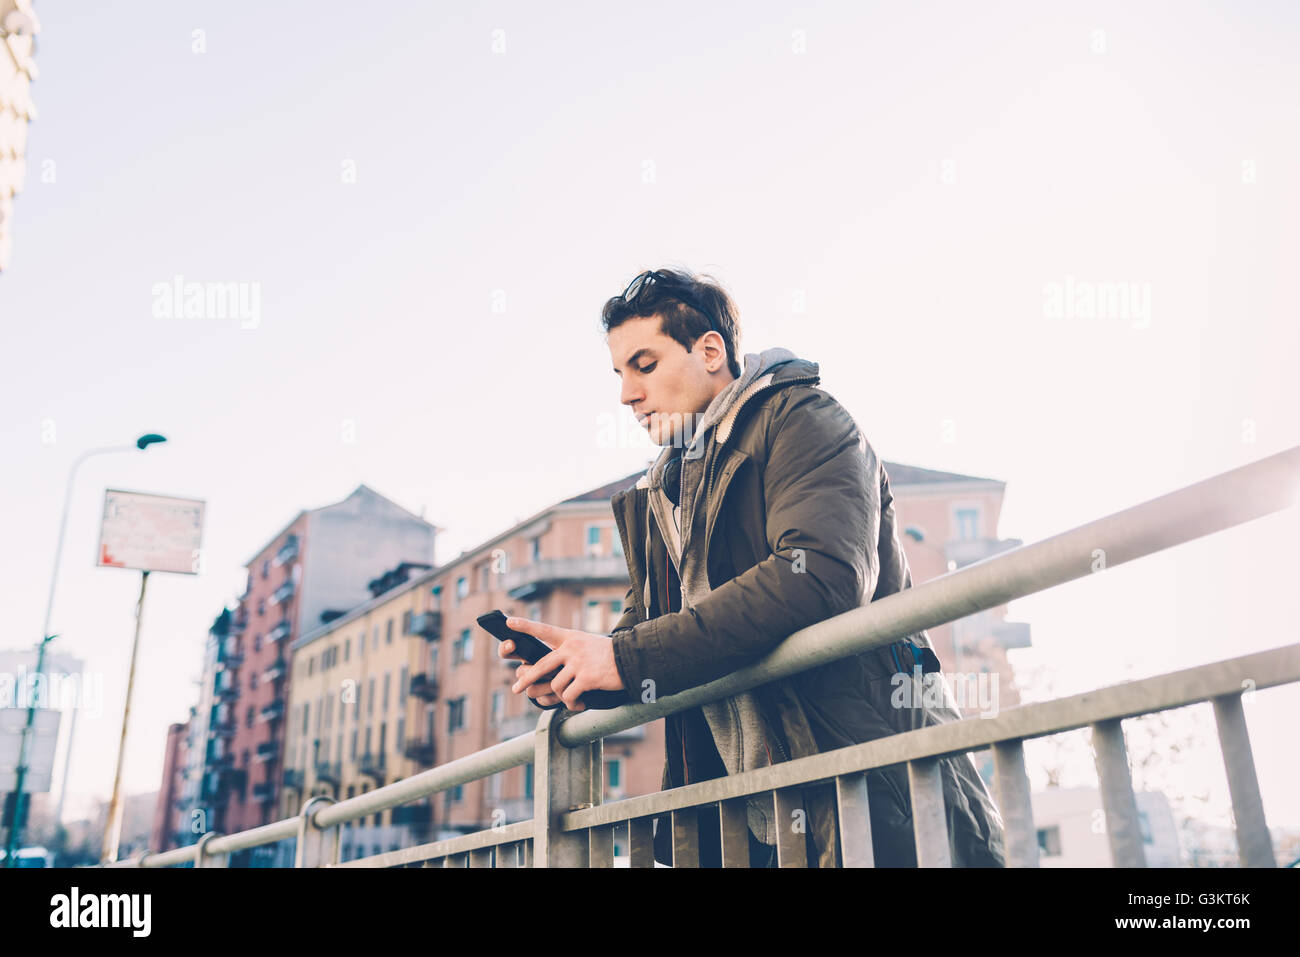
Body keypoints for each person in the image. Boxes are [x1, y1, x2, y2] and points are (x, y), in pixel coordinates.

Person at [501, 267, 1007, 868]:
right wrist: (576, 670)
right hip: (743, 820)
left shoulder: (806, 419)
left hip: (864, 785)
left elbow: (820, 575)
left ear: (710, 350)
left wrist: (624, 658)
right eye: (618, 374)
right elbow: (648, 651)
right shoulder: (662, 492)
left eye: (645, 364)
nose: (626, 395)